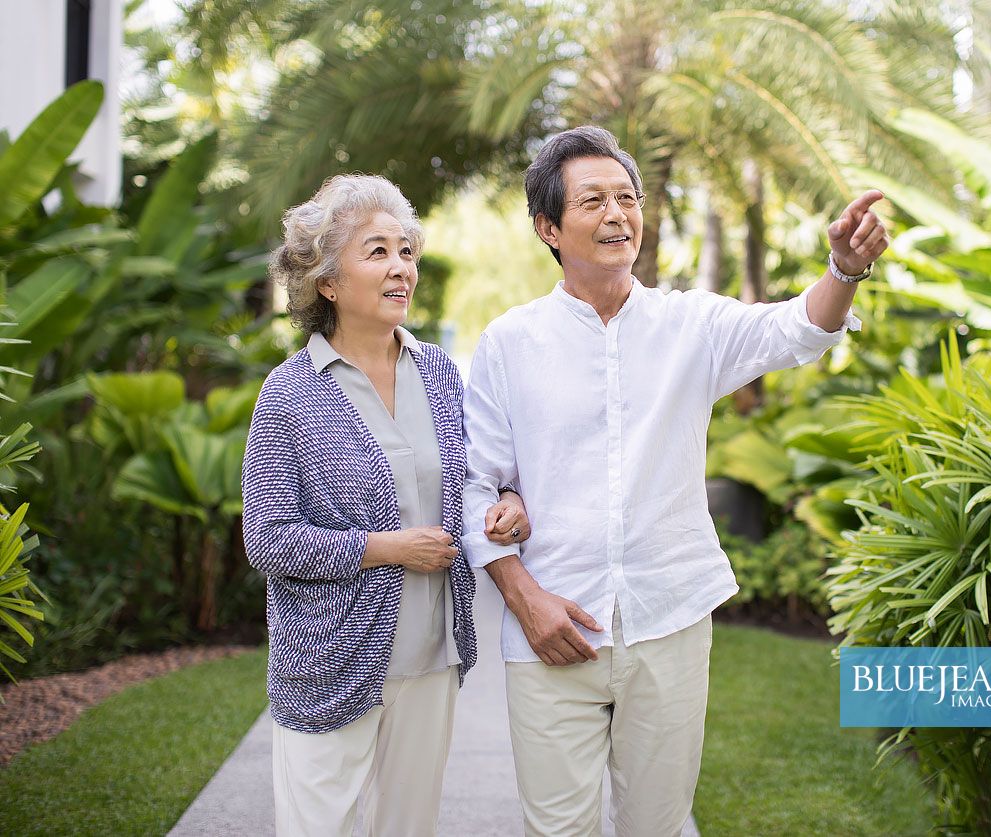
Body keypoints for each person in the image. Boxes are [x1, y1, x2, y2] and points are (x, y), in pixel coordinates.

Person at [460, 126, 889, 836]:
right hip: (551, 627)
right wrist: (523, 597)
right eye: (592, 200)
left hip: (670, 618)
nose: (616, 214)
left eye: (627, 198)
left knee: (656, 826)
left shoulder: (691, 322)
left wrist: (841, 271)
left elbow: (796, 330)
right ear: (548, 227)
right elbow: (478, 484)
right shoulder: (510, 341)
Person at [242, 174, 530, 837]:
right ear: (327, 282)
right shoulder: (289, 395)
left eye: (406, 250)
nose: (401, 266)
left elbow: (479, 476)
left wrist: (506, 501)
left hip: (432, 655)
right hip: (329, 661)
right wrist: (384, 548)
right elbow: (268, 537)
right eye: (377, 251)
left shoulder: (437, 373)